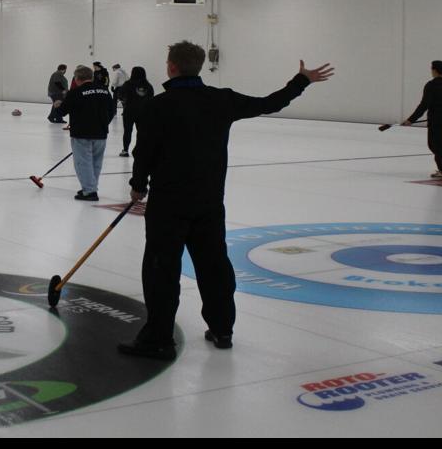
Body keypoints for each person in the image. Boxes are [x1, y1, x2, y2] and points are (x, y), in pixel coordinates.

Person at [122, 43, 334, 359]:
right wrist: (300, 81)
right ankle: (222, 329)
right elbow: (268, 103)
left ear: (171, 67)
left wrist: (138, 186)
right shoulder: (221, 100)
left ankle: (158, 338)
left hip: (169, 204)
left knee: (161, 270)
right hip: (208, 202)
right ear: (200, 66)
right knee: (214, 266)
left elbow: (144, 152)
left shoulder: (157, 106)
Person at [60, 66, 114, 202]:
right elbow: (112, 110)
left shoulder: (75, 92)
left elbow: (62, 111)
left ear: (77, 79)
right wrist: (104, 124)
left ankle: (89, 191)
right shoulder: (104, 91)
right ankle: (90, 187)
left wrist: (57, 105)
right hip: (101, 133)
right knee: (96, 162)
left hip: (82, 134)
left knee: (83, 163)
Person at [115, 66, 153, 158]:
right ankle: (141, 150)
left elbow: (120, 95)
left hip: (129, 111)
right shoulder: (148, 86)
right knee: (142, 131)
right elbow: (151, 97)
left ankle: (125, 150)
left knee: (127, 131)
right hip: (144, 112)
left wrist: (125, 100)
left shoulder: (128, 84)